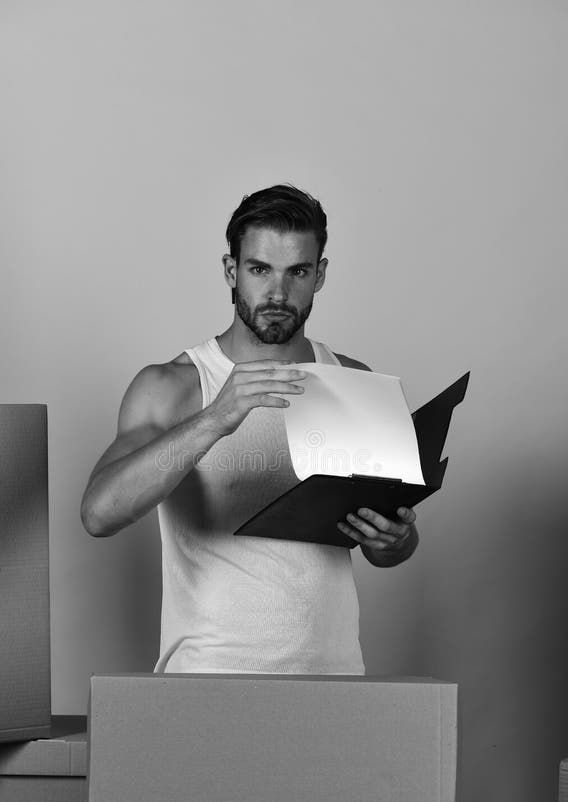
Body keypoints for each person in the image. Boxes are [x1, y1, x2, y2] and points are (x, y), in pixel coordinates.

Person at [81, 184, 418, 675]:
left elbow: (390, 550)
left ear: (319, 274)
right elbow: (99, 513)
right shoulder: (173, 386)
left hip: (336, 681)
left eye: (297, 271)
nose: (278, 293)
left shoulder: (353, 381)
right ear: (231, 270)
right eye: (260, 269)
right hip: (208, 682)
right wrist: (216, 417)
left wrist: (394, 538)